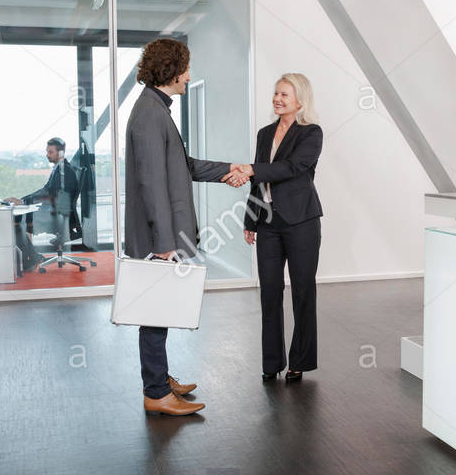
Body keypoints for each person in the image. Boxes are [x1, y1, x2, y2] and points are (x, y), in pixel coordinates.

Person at [123, 38, 253, 416]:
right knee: (154, 310)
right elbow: (150, 182)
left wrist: (231, 169)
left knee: (159, 307)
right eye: (187, 68)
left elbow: (183, 164)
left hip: (161, 234)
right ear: (173, 70)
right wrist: (164, 241)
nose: (190, 76)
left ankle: (160, 380)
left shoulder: (156, 107)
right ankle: (156, 392)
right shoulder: (150, 112)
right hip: (157, 236)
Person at [233, 73, 323, 382]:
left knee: (302, 293)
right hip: (268, 223)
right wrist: (250, 218)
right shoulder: (264, 133)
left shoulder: (311, 133)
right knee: (270, 293)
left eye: (284, 94)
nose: (277, 99)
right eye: (276, 93)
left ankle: (299, 360)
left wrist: (252, 169)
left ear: (300, 100)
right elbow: (259, 181)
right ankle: (271, 362)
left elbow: (292, 168)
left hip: (301, 223)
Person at [7, 137, 81, 271]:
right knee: (19, 219)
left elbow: (51, 195)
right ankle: (32, 257)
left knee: (17, 221)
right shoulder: (59, 169)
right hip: (57, 213)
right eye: (47, 151)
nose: (47, 155)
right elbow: (46, 190)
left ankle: (31, 259)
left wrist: (24, 202)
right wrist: (23, 200)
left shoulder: (64, 172)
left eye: (50, 152)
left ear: (60, 153)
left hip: (59, 218)